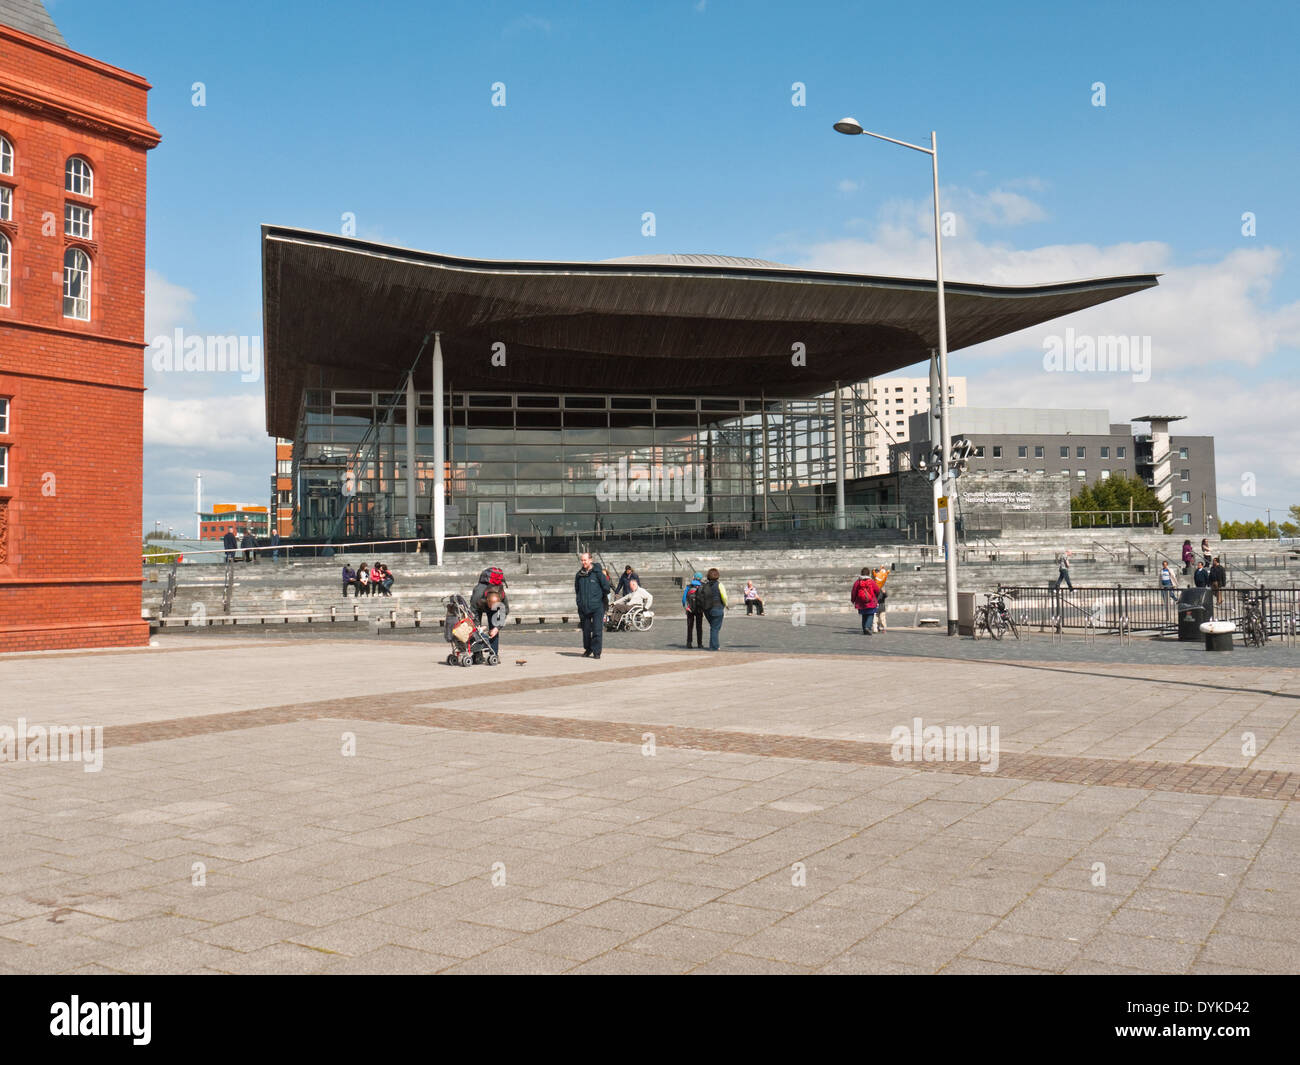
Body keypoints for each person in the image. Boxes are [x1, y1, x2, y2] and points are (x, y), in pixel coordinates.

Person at [574, 552, 611, 659]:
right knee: (586, 631)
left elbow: (606, 588)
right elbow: (577, 590)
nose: (583, 562)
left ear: (591, 560)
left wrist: (599, 600)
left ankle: (596, 651)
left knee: (597, 630)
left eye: (585, 560)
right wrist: (579, 602)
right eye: (582, 560)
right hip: (583, 607)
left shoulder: (598, 573)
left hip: (597, 607)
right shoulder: (579, 575)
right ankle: (588, 649)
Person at [698, 568, 728, 651]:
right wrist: (726, 604)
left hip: (707, 609)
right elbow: (724, 596)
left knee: (713, 627)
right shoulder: (719, 585)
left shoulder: (705, 585)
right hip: (717, 608)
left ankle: (715, 645)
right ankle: (714, 646)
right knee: (715, 628)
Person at [478, 587, 507, 656]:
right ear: (487, 601)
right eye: (491, 607)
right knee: (476, 629)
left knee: (494, 628)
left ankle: (493, 654)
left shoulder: (503, 598)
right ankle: (477, 653)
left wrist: (497, 628)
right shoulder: (478, 596)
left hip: (496, 605)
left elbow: (504, 614)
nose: (491, 609)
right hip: (481, 604)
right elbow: (474, 610)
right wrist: (477, 625)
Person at [851, 567, 880, 635]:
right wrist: (876, 596)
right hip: (871, 602)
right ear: (868, 573)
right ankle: (867, 627)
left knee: (864, 615)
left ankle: (864, 629)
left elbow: (854, 591)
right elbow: (877, 590)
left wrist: (853, 600)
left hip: (861, 603)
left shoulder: (857, 582)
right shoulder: (871, 581)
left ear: (861, 573)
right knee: (870, 615)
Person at [682, 571, 705, 648]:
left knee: (690, 627)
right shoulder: (703, 586)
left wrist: (685, 607)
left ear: (694, 577)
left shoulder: (689, 586)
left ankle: (689, 643)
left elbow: (683, 599)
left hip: (690, 609)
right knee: (699, 626)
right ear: (701, 579)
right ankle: (700, 643)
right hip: (699, 609)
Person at [872, 565, 890, 632]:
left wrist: (884, 592)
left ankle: (883, 628)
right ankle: (875, 628)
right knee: (875, 618)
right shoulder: (873, 585)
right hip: (875, 605)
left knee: (882, 618)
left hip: (881, 604)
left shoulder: (882, 585)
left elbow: (886, 595)